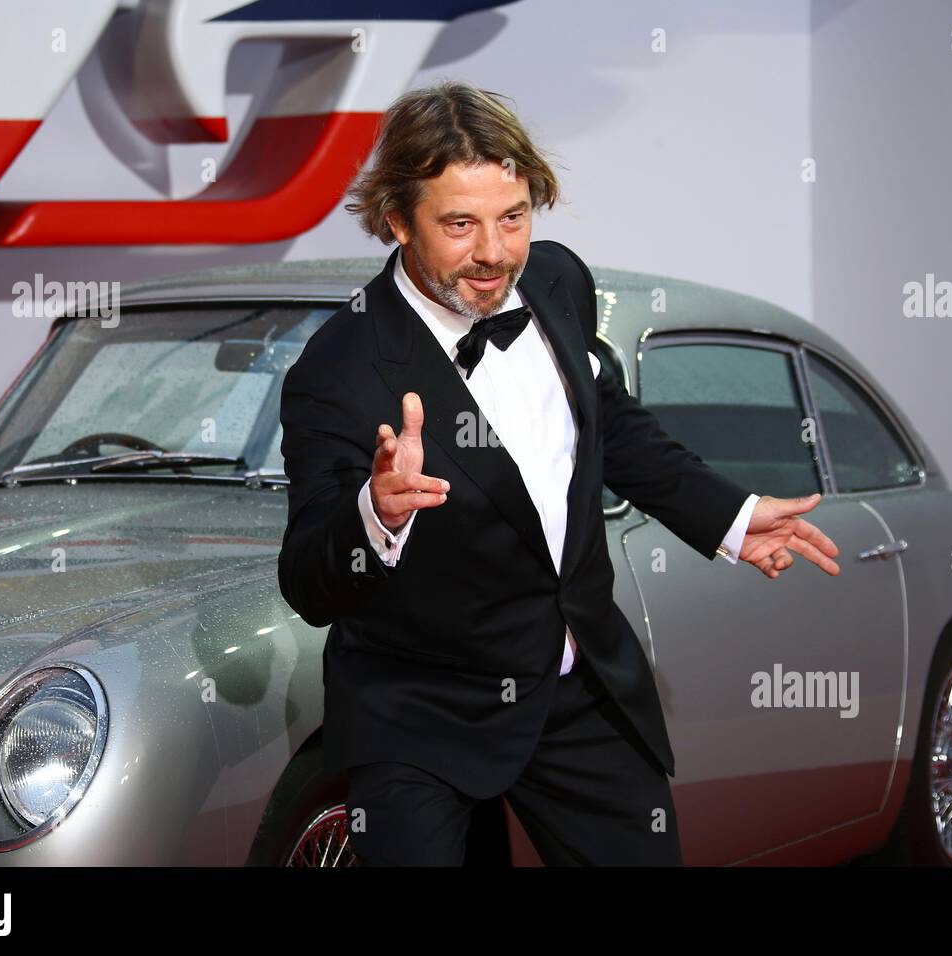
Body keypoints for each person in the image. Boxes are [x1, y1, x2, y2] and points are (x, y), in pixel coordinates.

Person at [277, 79, 840, 866]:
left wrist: (731, 517)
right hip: (423, 714)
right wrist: (376, 514)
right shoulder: (338, 369)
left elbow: (611, 426)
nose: (494, 253)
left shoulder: (554, 282)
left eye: (513, 218)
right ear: (398, 219)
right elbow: (307, 580)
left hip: (580, 690)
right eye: (460, 224)